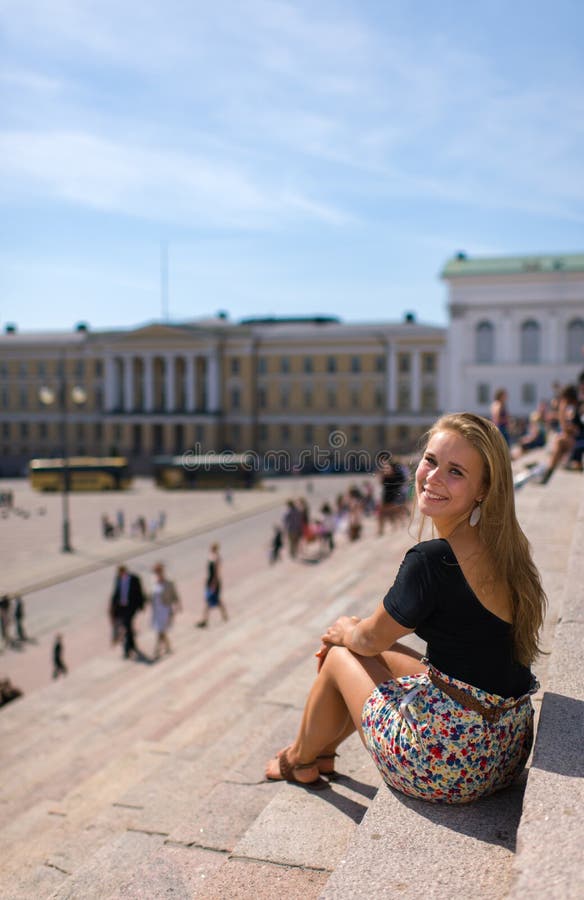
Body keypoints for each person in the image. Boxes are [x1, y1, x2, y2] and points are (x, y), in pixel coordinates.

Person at [265, 412, 546, 804]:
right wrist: (356, 632)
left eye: (456, 472)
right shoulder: (506, 550)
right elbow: (379, 640)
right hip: (505, 744)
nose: (432, 478)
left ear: (484, 488)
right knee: (367, 646)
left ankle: (298, 758)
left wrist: (345, 630)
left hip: (449, 763)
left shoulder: (433, 561)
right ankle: (320, 754)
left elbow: (366, 639)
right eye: (430, 461)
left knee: (339, 654)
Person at [538, 384, 580, 485]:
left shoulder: (574, 407)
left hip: (578, 438)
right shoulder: (573, 406)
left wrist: (561, 410)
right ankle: (548, 473)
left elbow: (569, 427)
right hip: (575, 437)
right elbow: (569, 427)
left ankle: (548, 474)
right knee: (558, 443)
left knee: (559, 442)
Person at [110, 565, 146, 659]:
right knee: (128, 627)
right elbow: (116, 593)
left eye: (122, 573)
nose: (121, 575)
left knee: (127, 626)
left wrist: (141, 606)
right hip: (122, 608)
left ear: (125, 571)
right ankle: (132, 645)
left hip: (131, 608)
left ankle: (126, 650)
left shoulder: (134, 579)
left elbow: (140, 592)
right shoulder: (118, 579)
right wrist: (112, 606)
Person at [150, 562, 181, 658]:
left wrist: (178, 606)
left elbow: (175, 595)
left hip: (165, 610)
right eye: (156, 572)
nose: (157, 573)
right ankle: (168, 647)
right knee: (161, 631)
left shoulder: (168, 583)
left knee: (160, 631)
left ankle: (157, 651)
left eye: (158, 571)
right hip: (156, 611)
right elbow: (151, 596)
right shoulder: (153, 582)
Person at [197, 543, 229, 627]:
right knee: (214, 600)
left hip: (214, 582)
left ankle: (205, 620)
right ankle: (223, 616)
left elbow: (216, 573)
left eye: (212, 548)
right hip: (210, 581)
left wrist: (214, 584)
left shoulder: (217, 558)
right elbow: (209, 571)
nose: (210, 549)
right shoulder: (211, 557)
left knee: (212, 600)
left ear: (215, 548)